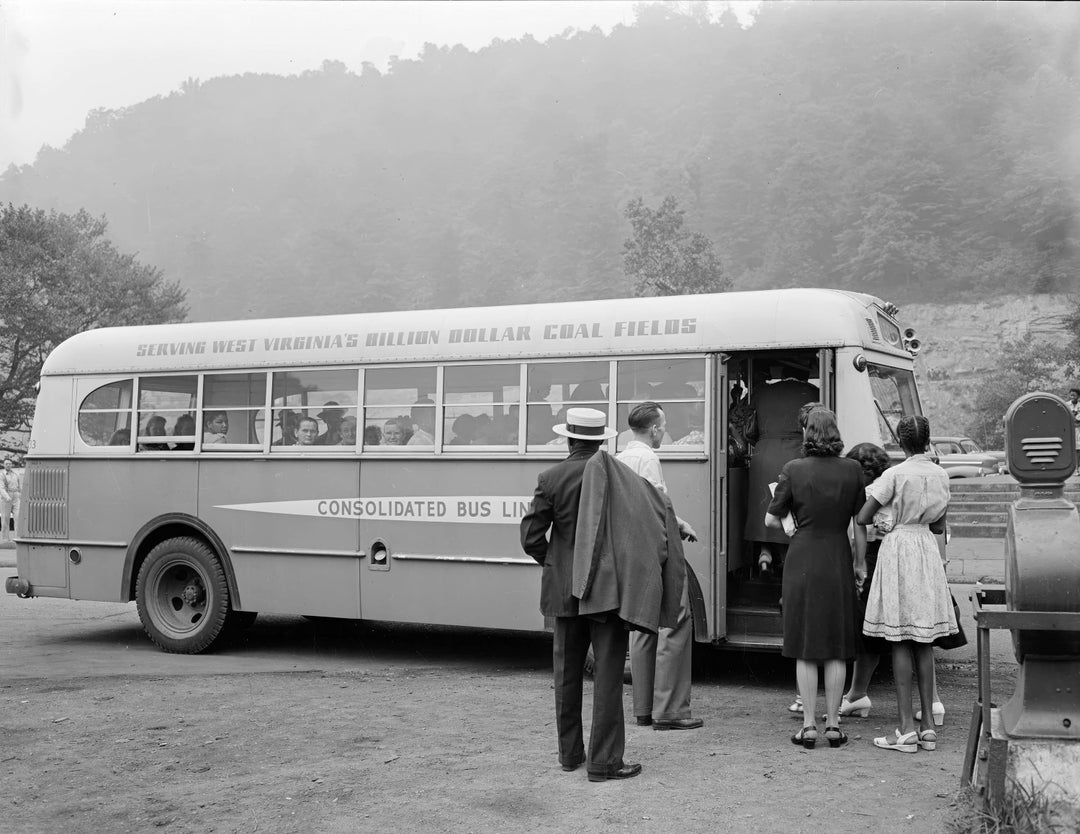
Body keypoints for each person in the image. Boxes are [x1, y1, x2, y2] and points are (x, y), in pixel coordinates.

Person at [518, 407, 643, 782]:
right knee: (607, 674)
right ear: (600, 440)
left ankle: (570, 754)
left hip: (564, 591)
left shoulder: (551, 477)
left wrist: (556, 562)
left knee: (567, 674)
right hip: (606, 590)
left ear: (569, 439)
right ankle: (605, 762)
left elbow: (530, 538)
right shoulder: (617, 475)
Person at [766, 408, 866, 750]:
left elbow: (770, 520)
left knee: (805, 646)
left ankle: (808, 726)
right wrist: (859, 561)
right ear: (835, 433)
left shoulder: (793, 470)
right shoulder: (853, 470)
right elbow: (859, 521)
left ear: (807, 434)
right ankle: (834, 724)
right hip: (837, 555)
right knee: (837, 645)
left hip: (803, 558)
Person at [858, 415, 957, 754]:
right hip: (927, 550)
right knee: (924, 640)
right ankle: (928, 726)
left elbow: (862, 517)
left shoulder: (894, 475)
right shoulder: (940, 473)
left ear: (900, 441)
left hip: (898, 548)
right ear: (927, 439)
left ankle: (904, 730)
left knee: (899, 638)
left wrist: (888, 515)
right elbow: (940, 525)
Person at [617, 402, 703, 731]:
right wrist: (678, 529)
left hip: (631, 551)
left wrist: (680, 523)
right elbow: (658, 507)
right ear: (653, 429)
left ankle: (643, 708)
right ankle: (670, 710)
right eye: (663, 426)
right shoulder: (649, 459)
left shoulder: (620, 457)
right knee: (676, 621)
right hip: (655, 550)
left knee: (642, 626)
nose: (664, 431)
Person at [745, 366, 819, 576]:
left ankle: (765, 552)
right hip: (797, 453)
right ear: (804, 373)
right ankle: (788, 558)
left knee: (764, 505)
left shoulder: (764, 392)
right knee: (792, 506)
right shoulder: (813, 392)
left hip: (764, 454)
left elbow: (751, 428)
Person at [0, 458, 22, 541]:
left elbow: (19, 486)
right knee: (5, 518)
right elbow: (1, 488)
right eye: (6, 464)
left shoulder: (16, 474)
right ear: (4, 465)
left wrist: (20, 495)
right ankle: (5, 539)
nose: (8, 465)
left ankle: (17, 538)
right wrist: (7, 497)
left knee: (18, 517)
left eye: (9, 463)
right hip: (6, 497)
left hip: (16, 496)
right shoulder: (2, 475)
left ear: (11, 464)